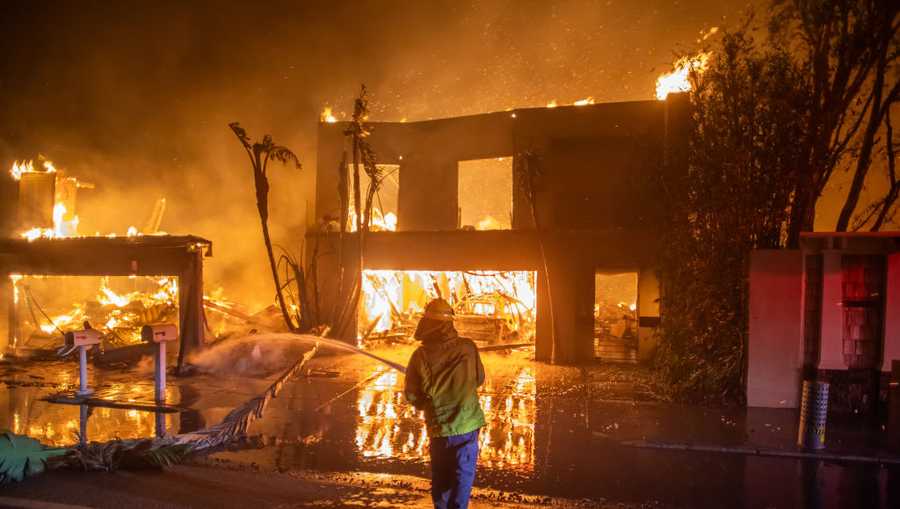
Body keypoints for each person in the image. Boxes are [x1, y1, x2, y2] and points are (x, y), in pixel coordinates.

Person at [404, 298, 486, 509]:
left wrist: (430, 403)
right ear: (450, 323)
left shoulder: (420, 356)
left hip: (439, 428)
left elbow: (412, 396)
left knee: (441, 478)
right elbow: (479, 379)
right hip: (467, 425)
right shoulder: (468, 347)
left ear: (426, 323)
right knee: (462, 477)